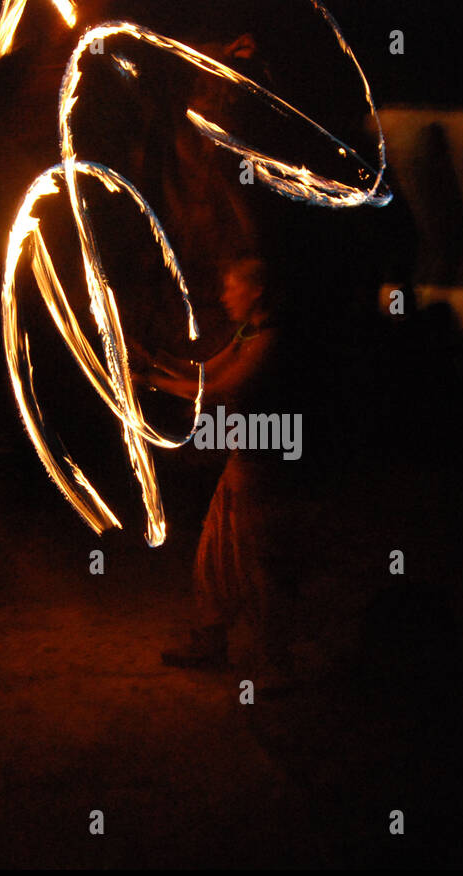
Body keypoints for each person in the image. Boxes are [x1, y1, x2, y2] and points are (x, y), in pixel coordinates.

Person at [134, 257, 300, 687]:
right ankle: (211, 638)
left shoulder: (272, 339)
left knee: (259, 566)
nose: (224, 296)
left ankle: (275, 664)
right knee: (215, 554)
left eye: (232, 287)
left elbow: (218, 389)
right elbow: (205, 370)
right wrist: (154, 361)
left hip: (269, 464)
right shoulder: (248, 332)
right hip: (243, 461)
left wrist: (154, 382)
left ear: (256, 291)